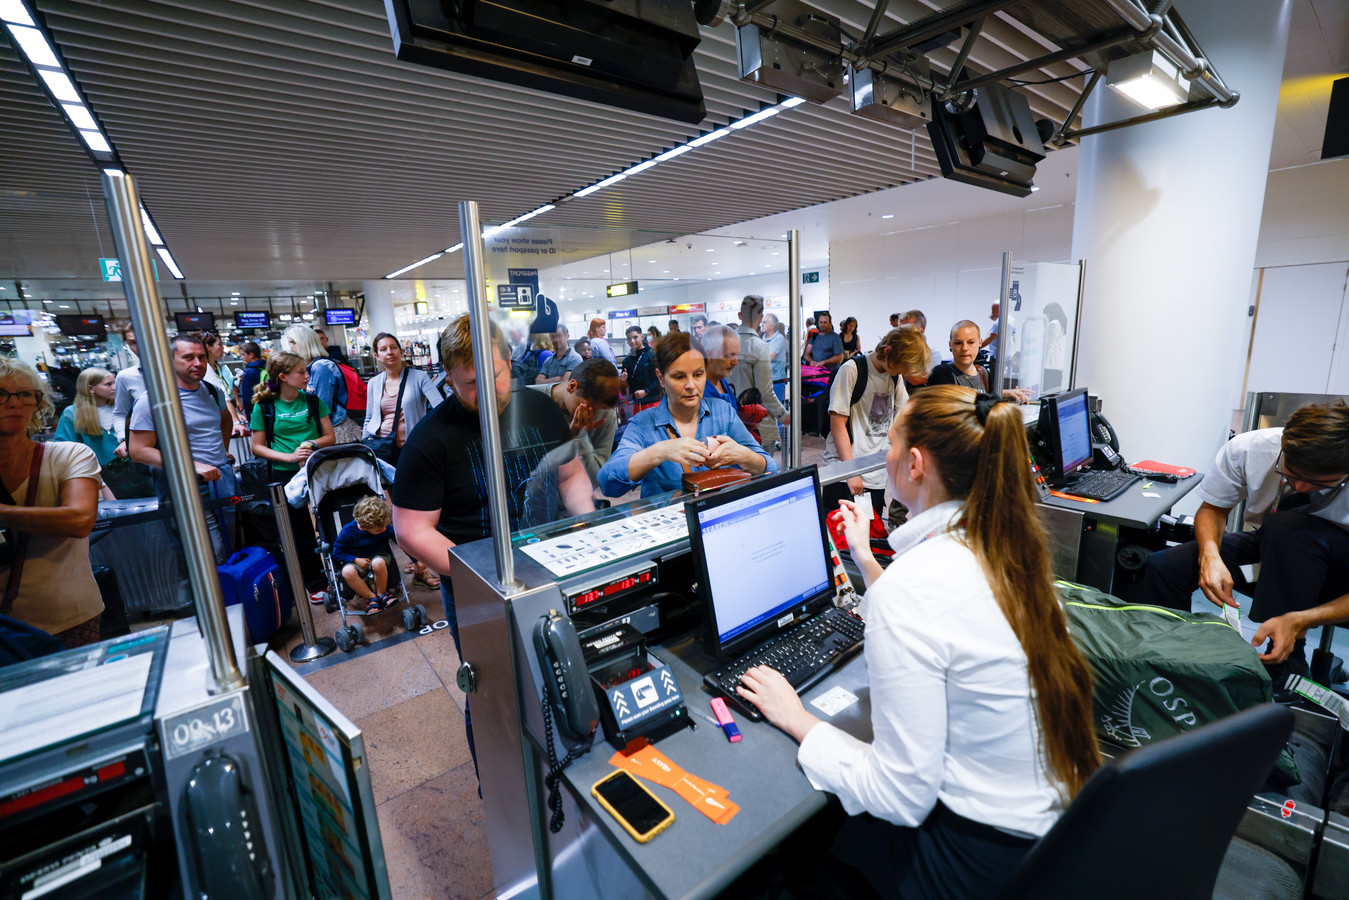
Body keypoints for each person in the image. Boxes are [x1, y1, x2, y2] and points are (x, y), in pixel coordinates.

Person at [738, 386, 1100, 900]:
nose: (881, 457)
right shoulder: (1006, 553)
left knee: (795, 856)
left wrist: (797, 718)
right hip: (1046, 842)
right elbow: (938, 610)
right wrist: (867, 560)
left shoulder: (915, 589)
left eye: (889, 443)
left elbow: (899, 796)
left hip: (975, 862)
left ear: (913, 464)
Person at [392, 314, 594, 658]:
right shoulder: (428, 440)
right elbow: (411, 530)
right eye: (471, 382)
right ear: (449, 380)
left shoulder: (539, 408)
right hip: (478, 589)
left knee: (564, 666)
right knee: (494, 688)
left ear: (509, 362)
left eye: (495, 375)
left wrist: (586, 524)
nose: (485, 391)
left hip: (551, 562)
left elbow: (570, 474)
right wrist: (487, 573)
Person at [1145, 401, 1349, 676]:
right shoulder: (1249, 449)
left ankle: (1286, 666)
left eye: (1318, 483)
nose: (1299, 487)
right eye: (1291, 473)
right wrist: (1210, 558)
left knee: (1287, 528)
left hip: (1338, 575)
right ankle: (1168, 662)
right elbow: (1213, 510)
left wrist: (1301, 620)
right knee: (1165, 567)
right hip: (1272, 547)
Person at [0, 359, 103, 648]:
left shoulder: (68, 456)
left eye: (25, 394)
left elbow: (79, 520)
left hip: (67, 616)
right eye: (1, 394)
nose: (15, 403)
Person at [598, 332, 776, 498]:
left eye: (698, 374)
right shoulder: (643, 425)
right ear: (661, 378)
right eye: (679, 377)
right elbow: (608, 483)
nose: (691, 385)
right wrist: (660, 451)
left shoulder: (723, 412)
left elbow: (771, 469)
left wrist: (743, 455)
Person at [129, 333, 237, 567]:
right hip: (185, 485)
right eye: (188, 357)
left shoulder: (211, 390)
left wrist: (222, 452)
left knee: (232, 543)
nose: (197, 363)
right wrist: (192, 465)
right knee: (211, 552)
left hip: (221, 479)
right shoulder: (152, 401)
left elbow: (225, 420)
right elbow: (138, 450)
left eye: (201, 357)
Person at [249, 351, 335, 596]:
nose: (307, 376)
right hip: (285, 475)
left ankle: (342, 572)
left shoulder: (312, 400)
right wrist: (289, 457)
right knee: (300, 531)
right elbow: (257, 446)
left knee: (329, 520)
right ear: (284, 377)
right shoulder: (264, 406)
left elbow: (330, 437)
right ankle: (315, 583)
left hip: (316, 469)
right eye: (301, 372)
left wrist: (310, 445)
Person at [823, 325, 931, 513]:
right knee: (840, 536)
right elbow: (837, 423)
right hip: (845, 473)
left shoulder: (894, 378)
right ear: (888, 351)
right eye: (900, 367)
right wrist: (851, 472)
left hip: (875, 475)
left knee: (869, 535)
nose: (900, 373)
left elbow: (904, 414)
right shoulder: (851, 370)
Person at [530, 358, 623, 481]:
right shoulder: (529, 400)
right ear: (572, 386)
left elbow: (595, 480)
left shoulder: (605, 416)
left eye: (599, 410)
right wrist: (568, 437)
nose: (591, 415)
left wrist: (580, 437)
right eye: (587, 407)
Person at [362, 332, 444, 463]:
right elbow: (369, 418)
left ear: (400, 351)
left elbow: (440, 408)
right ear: (377, 356)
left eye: (393, 347)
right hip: (382, 448)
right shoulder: (374, 383)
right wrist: (365, 447)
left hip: (412, 446)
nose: (389, 352)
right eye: (383, 349)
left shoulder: (419, 377)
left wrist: (432, 436)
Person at [285, 324, 356, 441]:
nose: (290, 348)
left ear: (303, 343)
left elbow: (323, 407)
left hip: (335, 430)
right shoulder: (310, 367)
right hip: (326, 430)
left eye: (292, 342)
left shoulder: (321, 367)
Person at [929, 321, 1031, 402]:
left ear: (980, 343)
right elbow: (954, 402)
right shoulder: (941, 373)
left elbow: (987, 400)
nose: (964, 348)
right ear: (950, 345)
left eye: (971, 342)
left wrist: (1006, 395)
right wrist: (1001, 394)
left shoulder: (983, 373)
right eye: (958, 343)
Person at [332, 496, 402, 614]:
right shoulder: (348, 531)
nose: (384, 529)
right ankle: (370, 597)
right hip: (355, 561)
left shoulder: (381, 526)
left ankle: (382, 593)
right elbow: (337, 552)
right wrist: (354, 559)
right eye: (379, 530)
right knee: (347, 572)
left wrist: (416, 559)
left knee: (378, 563)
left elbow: (400, 540)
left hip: (378, 555)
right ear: (364, 527)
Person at [733, 297, 790, 440]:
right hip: (757, 422)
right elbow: (764, 391)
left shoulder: (727, 342)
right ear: (761, 316)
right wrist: (783, 415)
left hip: (732, 420)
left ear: (740, 315)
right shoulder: (759, 346)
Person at [54, 367, 121, 466]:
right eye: (108, 384)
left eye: (114, 383)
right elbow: (64, 447)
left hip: (134, 472)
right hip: (95, 472)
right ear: (91, 389)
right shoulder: (72, 413)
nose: (114, 388)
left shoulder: (121, 407)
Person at [201, 332, 247, 437]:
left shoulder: (217, 367)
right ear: (209, 347)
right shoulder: (207, 370)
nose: (222, 348)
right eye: (220, 344)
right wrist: (235, 422)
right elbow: (224, 398)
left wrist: (236, 414)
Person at [112, 325, 145, 456]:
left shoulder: (182, 369)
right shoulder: (126, 376)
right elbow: (120, 413)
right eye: (132, 343)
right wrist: (124, 439)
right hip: (149, 447)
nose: (139, 347)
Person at [700, 325, 741, 412]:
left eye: (736, 355)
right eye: (730, 356)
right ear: (709, 355)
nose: (736, 362)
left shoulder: (721, 381)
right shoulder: (699, 393)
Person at [622, 325, 661, 414]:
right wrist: (623, 380)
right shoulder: (627, 360)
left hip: (653, 402)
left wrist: (646, 391)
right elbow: (628, 385)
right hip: (636, 404)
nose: (632, 341)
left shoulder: (652, 355)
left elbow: (661, 379)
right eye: (629, 339)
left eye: (635, 337)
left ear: (642, 337)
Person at [237, 341, 265, 422]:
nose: (242, 357)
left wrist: (247, 412)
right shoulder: (266, 367)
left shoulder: (248, 372)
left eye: (243, 354)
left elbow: (247, 396)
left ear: (251, 355)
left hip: (255, 410)